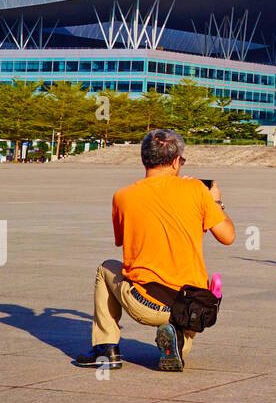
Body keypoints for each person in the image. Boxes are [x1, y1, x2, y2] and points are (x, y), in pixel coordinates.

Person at [75, 129, 234, 372]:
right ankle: (177, 343)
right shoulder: (197, 190)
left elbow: (121, 241)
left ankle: (105, 347)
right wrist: (215, 202)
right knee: (188, 311)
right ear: (174, 161)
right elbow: (228, 236)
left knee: (106, 267)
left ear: (144, 159)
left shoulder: (123, 196)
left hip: (145, 303)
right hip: (190, 305)